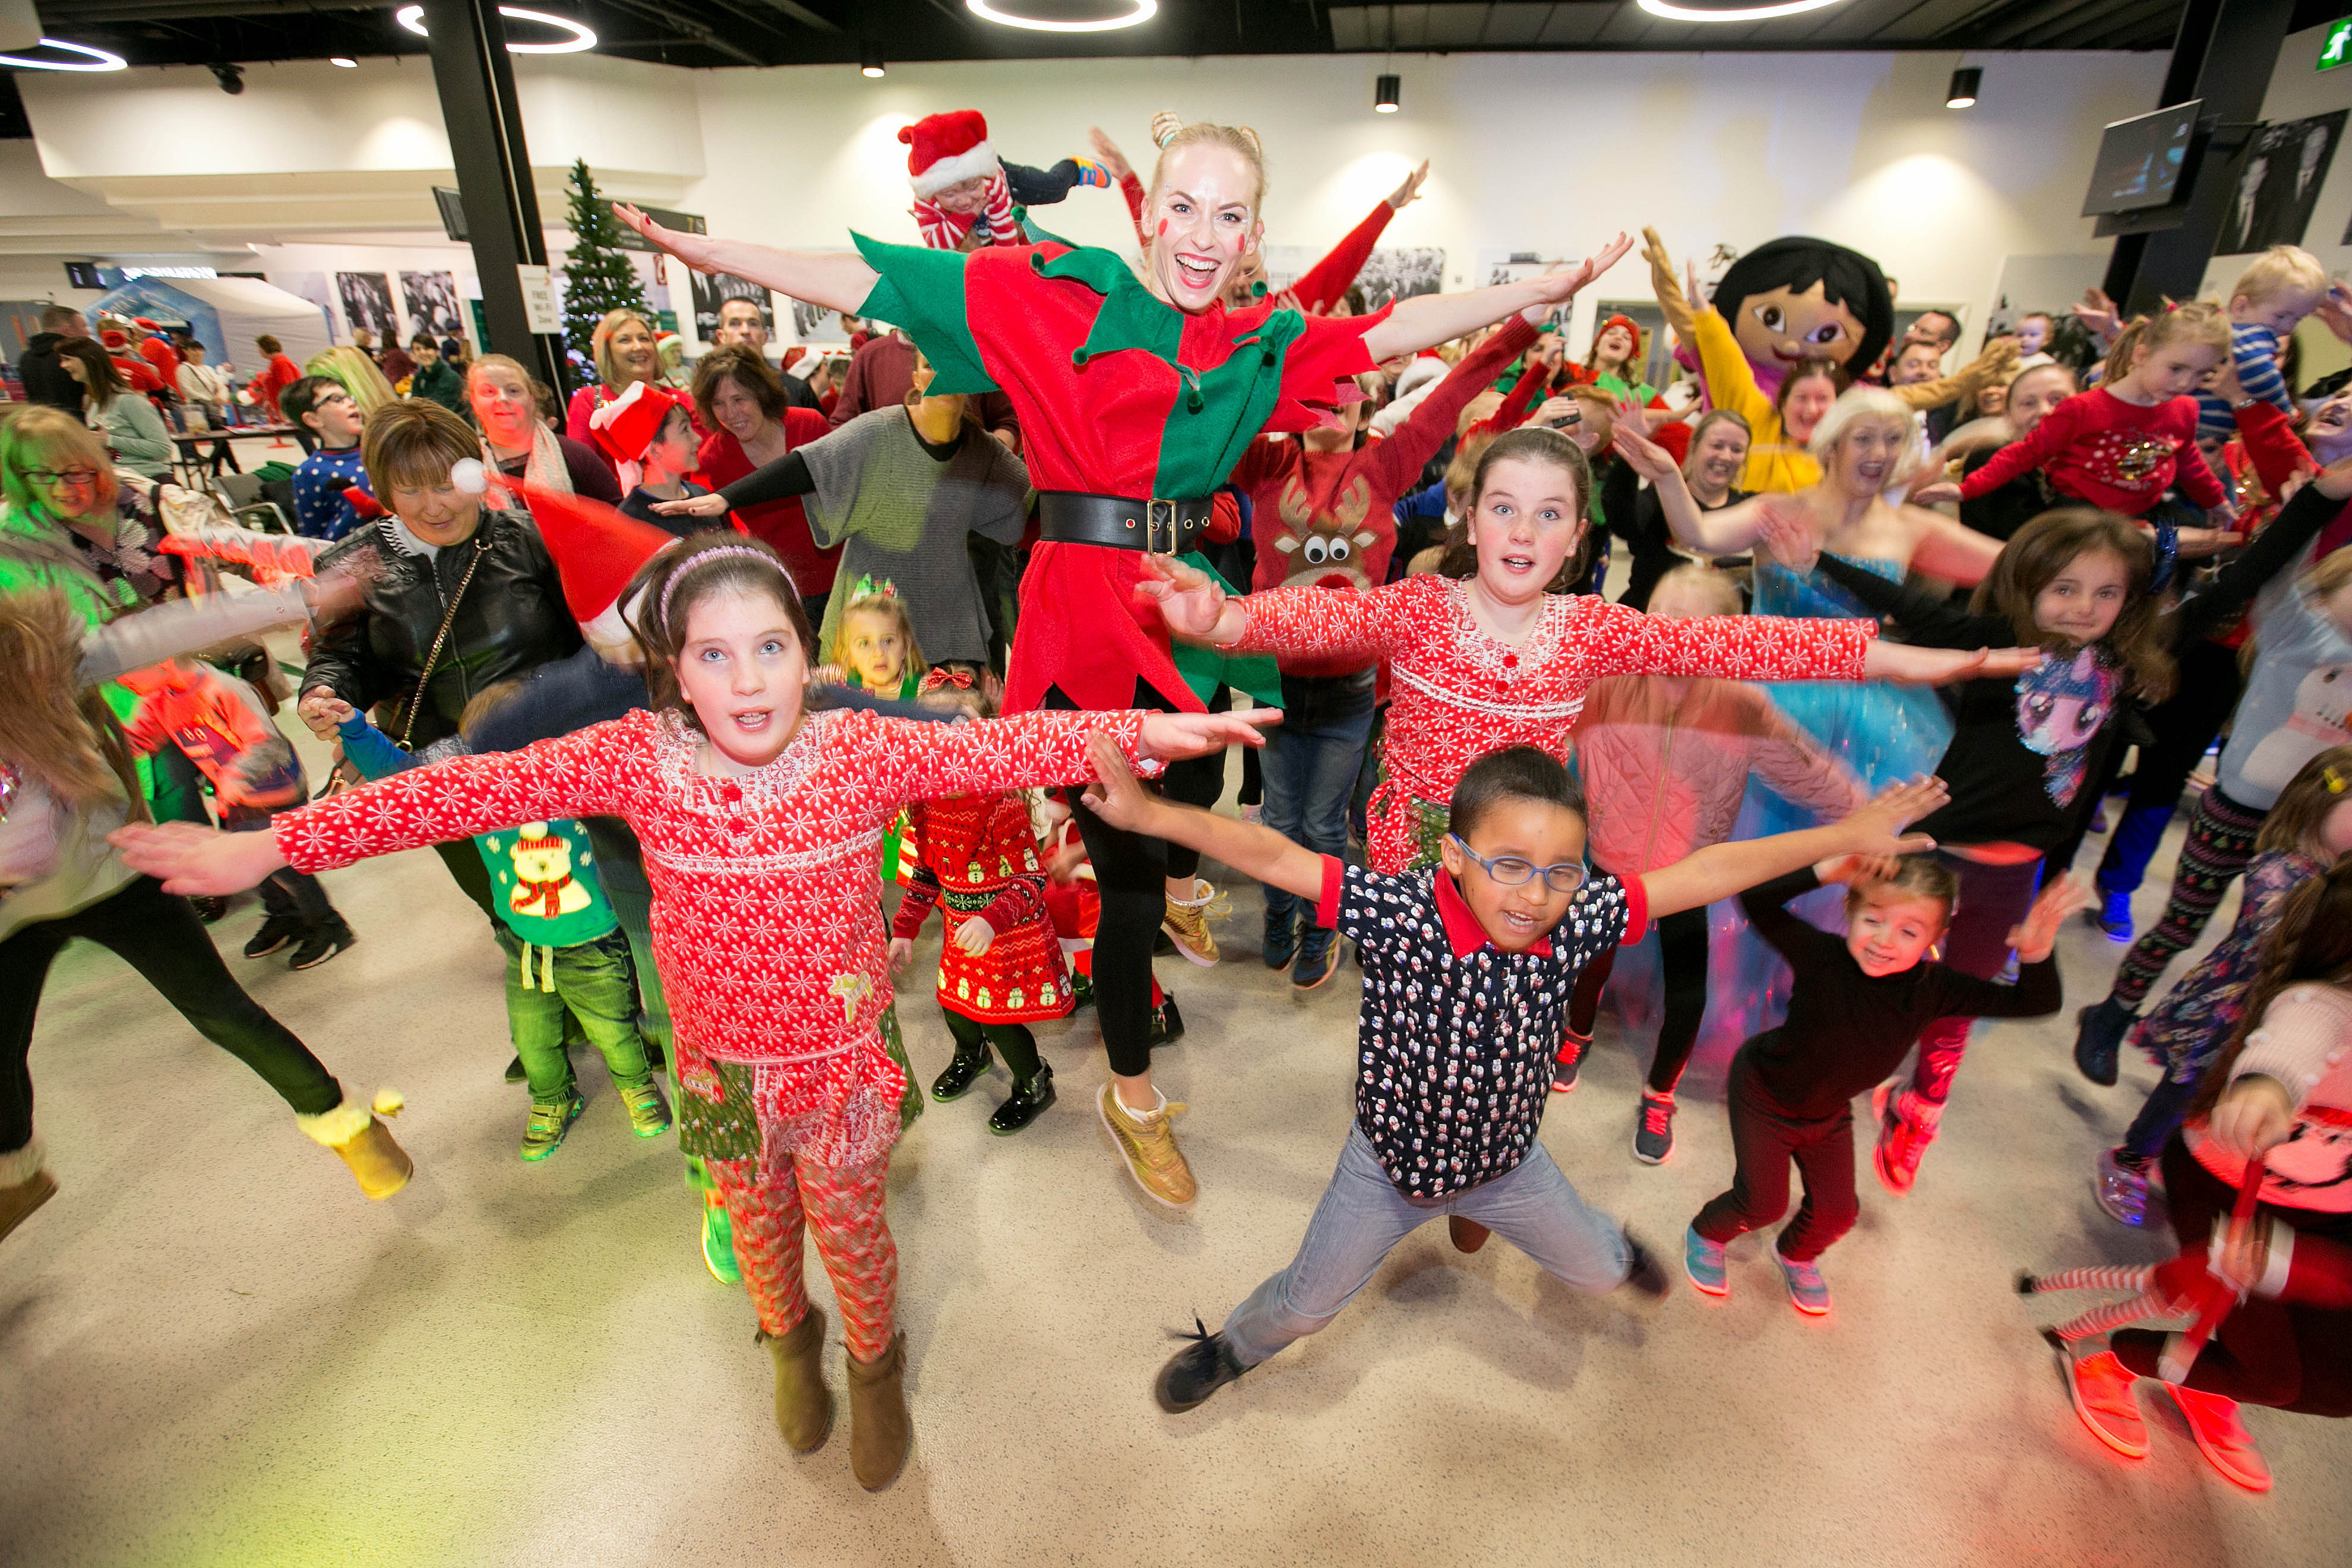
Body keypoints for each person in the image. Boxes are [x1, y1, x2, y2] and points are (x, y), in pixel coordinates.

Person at [615, 112, 1642, 1210]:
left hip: (1181, 607)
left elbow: (1397, 327)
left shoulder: (1252, 340)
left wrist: (1540, 292)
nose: (1203, 236)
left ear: (1254, 233)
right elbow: (875, 280)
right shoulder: (1061, 288)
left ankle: (1171, 866)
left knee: (1206, 777)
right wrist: (707, 252)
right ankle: (1132, 1093)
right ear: (1148, 210)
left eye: (1230, 214)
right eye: (1184, 206)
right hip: (1077, 612)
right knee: (1134, 885)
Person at [110, 531, 1276, 1490]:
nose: (750, 678)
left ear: (804, 654)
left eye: (770, 646)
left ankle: (872, 1361)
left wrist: (1137, 730)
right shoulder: (634, 757)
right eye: (714, 656)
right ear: (670, 668)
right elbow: (459, 790)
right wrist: (276, 840)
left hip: (838, 1071)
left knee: (855, 1232)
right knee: (755, 1222)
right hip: (718, 1077)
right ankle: (791, 1343)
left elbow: (1013, 739)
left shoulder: (855, 749)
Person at [1111, 741, 1948, 1409]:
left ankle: (1594, 1243)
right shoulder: (1402, 915)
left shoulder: (1581, 915)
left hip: (1511, 1167)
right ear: (1457, 856)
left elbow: (1705, 873)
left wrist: (1844, 837)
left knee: (1596, 1272)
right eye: (1509, 862)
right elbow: (1267, 850)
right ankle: (1229, 1347)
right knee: (1305, 1304)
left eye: (1561, 870)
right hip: (1388, 1171)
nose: (1535, 892)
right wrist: (1153, 813)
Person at [1154, 423, 2009, 876]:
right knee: (1412, 1030)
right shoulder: (1421, 607)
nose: (1523, 531)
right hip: (1416, 857)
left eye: (1550, 513)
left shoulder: (1591, 628)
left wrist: (1918, 659)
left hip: (1531, 862)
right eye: (1504, 507)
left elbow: (1746, 641)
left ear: (1576, 540)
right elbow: (1305, 623)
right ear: (1471, 517)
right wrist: (1216, 619)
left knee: (1499, 1045)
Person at [1757, 508, 2170, 1193]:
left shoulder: (2120, 666)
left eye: (2106, 593)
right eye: (2065, 588)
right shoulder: (1998, 640)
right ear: (2028, 585)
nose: (2082, 608)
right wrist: (1817, 563)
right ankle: (1829, 1065)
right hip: (1935, 849)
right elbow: (1914, 610)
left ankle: (1923, 1104)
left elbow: (2222, 592)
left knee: (1960, 997)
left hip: (2014, 872)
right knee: (1878, 968)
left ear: (2129, 603)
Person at [1, 587, 412, 1249]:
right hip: (13, 918)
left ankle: (344, 1121)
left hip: (113, 880)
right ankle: (13, 1169)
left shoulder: (38, 657)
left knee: (220, 1009)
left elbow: (171, 630)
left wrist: (302, 595)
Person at [1224, 308, 1548, 990]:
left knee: (1321, 823)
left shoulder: (1387, 463)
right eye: (1317, 385)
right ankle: (1279, 912)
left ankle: (1321, 926)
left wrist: (1520, 328)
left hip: (1350, 686)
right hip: (1276, 679)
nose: (1331, 399)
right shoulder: (1266, 460)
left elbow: (1453, 395)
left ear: (1366, 398)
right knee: (1278, 815)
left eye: (1345, 387)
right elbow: (1222, 396)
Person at [2053, 861, 2352, 1493]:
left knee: (2334, 1379)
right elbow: (2294, 1040)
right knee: (2277, 1376)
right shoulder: (2325, 1004)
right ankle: (2108, 1353)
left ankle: (2212, 1373)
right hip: (2229, 1187)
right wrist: (2266, 1087)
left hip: (2329, 1213)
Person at [1561, 565, 1865, 1162]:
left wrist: (1872, 821)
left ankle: (1660, 1092)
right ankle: (1575, 1036)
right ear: (1644, 621)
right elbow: (1536, 728)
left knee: (1688, 994)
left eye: (1699, 625)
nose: (1678, 637)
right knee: (1587, 964)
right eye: (1666, 618)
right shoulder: (1606, 686)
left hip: (1687, 878)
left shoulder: (1742, 708)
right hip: (1609, 864)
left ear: (1728, 637)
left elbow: (1812, 772)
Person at [1687, 856, 2081, 1311]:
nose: (1884, 940)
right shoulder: (1822, 955)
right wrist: (1825, 871)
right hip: (1765, 1092)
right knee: (1762, 1204)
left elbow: (2036, 1002)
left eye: (1909, 931)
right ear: (1851, 913)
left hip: (1828, 1113)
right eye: (1873, 919)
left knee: (1839, 1214)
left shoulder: (1934, 988)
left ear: (1935, 941)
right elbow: (1755, 897)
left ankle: (1795, 1254)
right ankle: (1705, 1232)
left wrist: (2035, 955)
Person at [2073, 473, 2352, 1083]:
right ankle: (2113, 1014)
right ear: (2330, 591)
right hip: (2238, 809)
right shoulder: (2294, 630)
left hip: (2311, 831)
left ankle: (2214, 1051)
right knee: (2180, 924)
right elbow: (2278, 567)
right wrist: (2318, 499)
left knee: (2264, 949)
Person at [328, 692, 670, 1159]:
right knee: (531, 1036)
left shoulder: (574, 782)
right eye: (491, 752)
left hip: (594, 944)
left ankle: (636, 1086)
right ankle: (552, 1099)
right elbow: (400, 778)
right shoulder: (478, 795)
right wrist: (354, 729)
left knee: (613, 1028)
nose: (511, 765)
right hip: (523, 946)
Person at [295, 399, 584, 919]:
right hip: (439, 776)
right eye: (410, 490)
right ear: (385, 490)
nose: (433, 507)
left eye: (446, 485)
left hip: (554, 765)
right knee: (508, 909)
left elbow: (592, 647)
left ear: (474, 477)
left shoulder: (532, 539)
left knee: (588, 907)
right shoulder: (349, 565)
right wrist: (325, 693)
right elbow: (341, 656)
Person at [2087, 748, 2352, 1227]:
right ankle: (2130, 1158)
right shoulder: (2281, 870)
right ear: (2320, 803)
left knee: (2214, 1102)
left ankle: (2170, 1155)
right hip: (2229, 1012)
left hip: (2265, 1016)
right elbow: (2278, 938)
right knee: (2183, 1091)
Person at [659, 351, 1029, 671]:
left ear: (974, 379)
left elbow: (1035, 501)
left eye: (956, 366)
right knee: (864, 730)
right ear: (915, 376)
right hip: (870, 621)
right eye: (931, 364)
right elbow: (812, 465)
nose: (944, 376)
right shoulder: (881, 429)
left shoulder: (982, 450)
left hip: (946, 623)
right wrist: (728, 498)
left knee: (946, 731)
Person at [887, 670, 1070, 1134]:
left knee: (998, 1020)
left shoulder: (1001, 806)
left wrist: (990, 920)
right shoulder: (926, 805)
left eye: (960, 729)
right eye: (934, 732)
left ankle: (1034, 1080)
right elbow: (928, 872)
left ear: (985, 738)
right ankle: (971, 1055)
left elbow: (1031, 878)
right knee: (953, 1005)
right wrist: (906, 929)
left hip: (1006, 932)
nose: (949, 745)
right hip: (961, 934)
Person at [116, 654, 355, 969]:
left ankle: (330, 926)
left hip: (274, 790)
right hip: (236, 800)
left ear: (164, 659)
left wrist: (236, 777)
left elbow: (268, 744)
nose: (122, 681)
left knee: (287, 866)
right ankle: (286, 916)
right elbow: (137, 740)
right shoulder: (157, 701)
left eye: (128, 672)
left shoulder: (224, 689)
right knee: (250, 864)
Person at [1936, 304, 2234, 526]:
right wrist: (1968, 488)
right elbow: (2027, 453)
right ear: (2141, 356)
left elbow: (2188, 461)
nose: (2186, 384)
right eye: (2177, 369)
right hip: (2079, 514)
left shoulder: (2184, 408)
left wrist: (2216, 501)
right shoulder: (2085, 408)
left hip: (2142, 513)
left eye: (2201, 375)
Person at [685, 345, 837, 621]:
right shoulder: (714, 457)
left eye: (739, 399)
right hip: (782, 590)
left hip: (842, 576)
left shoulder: (809, 425)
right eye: (718, 404)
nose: (731, 414)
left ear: (760, 393)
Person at [1604, 408, 1752, 611]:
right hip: (1650, 624)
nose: (1726, 456)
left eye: (1737, 450)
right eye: (1717, 446)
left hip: (1717, 635)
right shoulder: (1661, 496)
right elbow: (1623, 523)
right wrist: (1627, 457)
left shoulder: (1751, 509)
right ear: (1694, 446)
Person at [2190, 245, 2328, 442]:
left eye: (2297, 320)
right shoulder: (2251, 337)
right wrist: (2285, 409)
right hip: (2205, 428)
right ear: (2241, 307)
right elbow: (2261, 372)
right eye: (2281, 316)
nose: (2288, 327)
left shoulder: (2224, 333)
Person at [467, 353, 622, 506]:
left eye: (513, 391)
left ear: (532, 400)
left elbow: (619, 518)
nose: (502, 399)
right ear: (474, 402)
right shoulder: (466, 466)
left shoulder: (575, 455)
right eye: (489, 392)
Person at [566, 310, 673, 468]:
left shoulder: (681, 401)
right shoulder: (589, 400)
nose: (638, 347)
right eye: (625, 340)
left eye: (644, 339)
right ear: (607, 351)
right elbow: (581, 468)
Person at [54, 337, 172, 481]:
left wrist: (111, 440)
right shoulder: (94, 405)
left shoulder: (128, 401)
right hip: (115, 481)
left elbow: (162, 449)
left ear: (89, 360)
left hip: (147, 481)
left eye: (67, 359)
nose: (62, 365)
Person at [280, 376, 372, 542]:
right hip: (352, 560)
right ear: (313, 419)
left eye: (348, 397)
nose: (351, 403)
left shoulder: (382, 452)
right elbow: (313, 537)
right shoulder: (310, 472)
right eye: (337, 400)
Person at [710, 296, 822, 412]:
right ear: (721, 336)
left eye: (753, 324)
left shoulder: (796, 390)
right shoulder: (710, 391)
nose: (745, 331)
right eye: (735, 324)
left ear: (765, 337)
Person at [20, 305, 88, 413]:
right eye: (83, 326)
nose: (87, 332)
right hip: (72, 423)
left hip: (39, 423)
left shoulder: (25, 358)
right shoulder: (72, 357)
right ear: (68, 330)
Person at [247, 335, 305, 439]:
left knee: (302, 437)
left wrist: (286, 408)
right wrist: (269, 401)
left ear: (265, 348)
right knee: (301, 437)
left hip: (289, 408)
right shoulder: (275, 363)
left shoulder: (280, 363)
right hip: (283, 407)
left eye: (259, 348)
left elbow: (288, 386)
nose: (259, 352)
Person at [404, 334, 467, 417]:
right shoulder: (419, 379)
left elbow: (443, 414)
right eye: (418, 349)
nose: (423, 352)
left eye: (427, 348)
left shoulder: (451, 378)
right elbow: (413, 406)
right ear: (414, 354)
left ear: (437, 352)